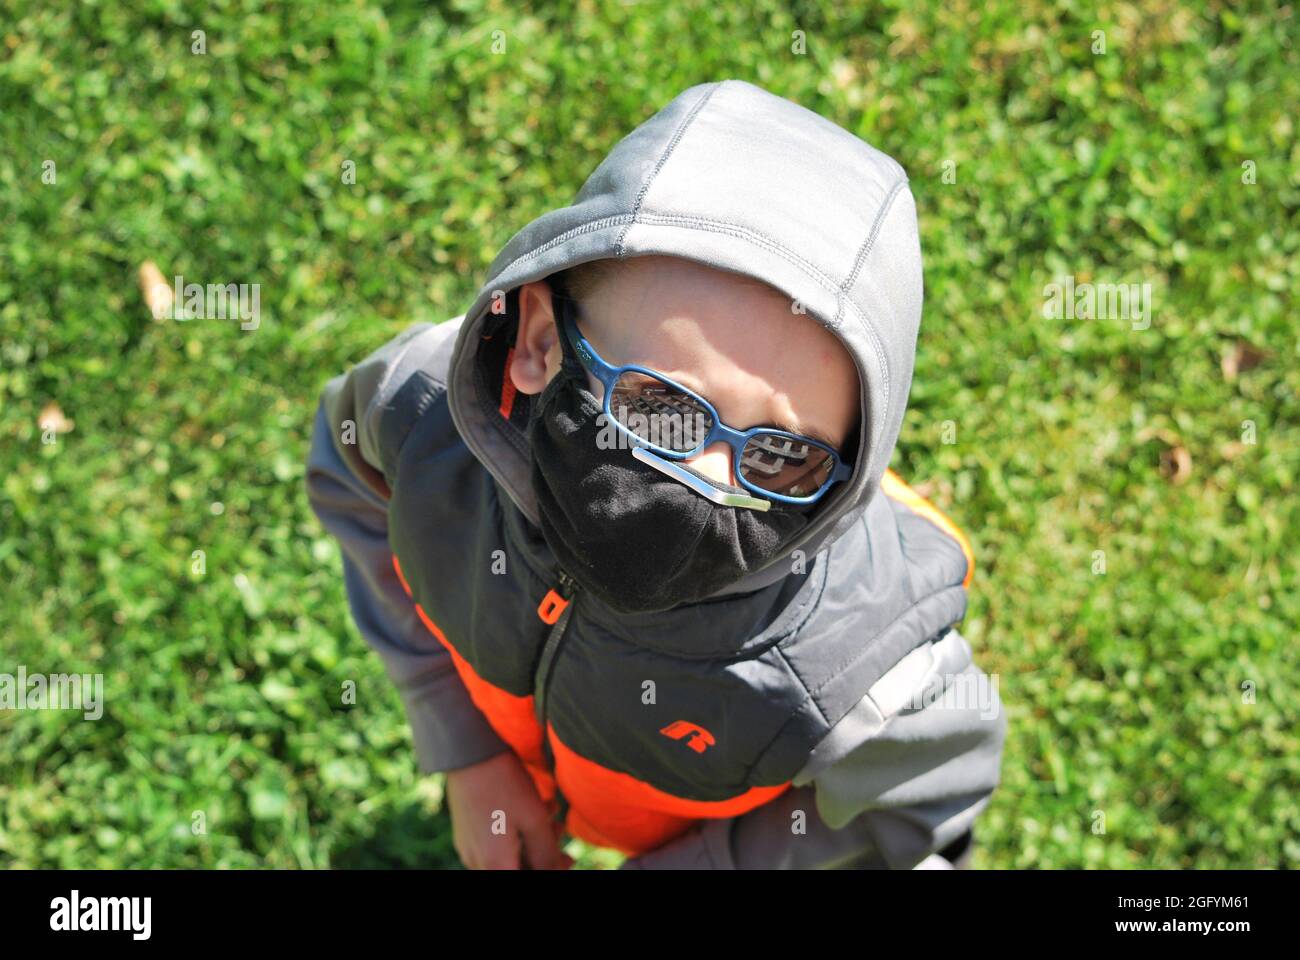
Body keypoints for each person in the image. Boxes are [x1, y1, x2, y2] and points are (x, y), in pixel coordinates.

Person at [305, 79, 1006, 869]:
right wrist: (465, 750)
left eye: (780, 455)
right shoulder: (420, 417)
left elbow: (923, 798)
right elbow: (349, 479)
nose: (708, 481)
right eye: (663, 409)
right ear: (537, 342)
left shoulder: (859, 661)